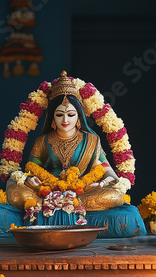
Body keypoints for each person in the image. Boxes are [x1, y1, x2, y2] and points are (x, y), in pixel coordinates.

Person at [7, 72, 125, 214]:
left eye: (70, 115)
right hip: (48, 192)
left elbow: (110, 174)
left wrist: (102, 183)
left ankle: (66, 204)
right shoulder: (43, 141)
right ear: (52, 118)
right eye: (59, 115)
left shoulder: (92, 141)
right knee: (14, 190)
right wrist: (30, 179)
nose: (65, 120)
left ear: (79, 117)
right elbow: (31, 170)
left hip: (83, 191)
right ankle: (56, 203)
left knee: (116, 195)